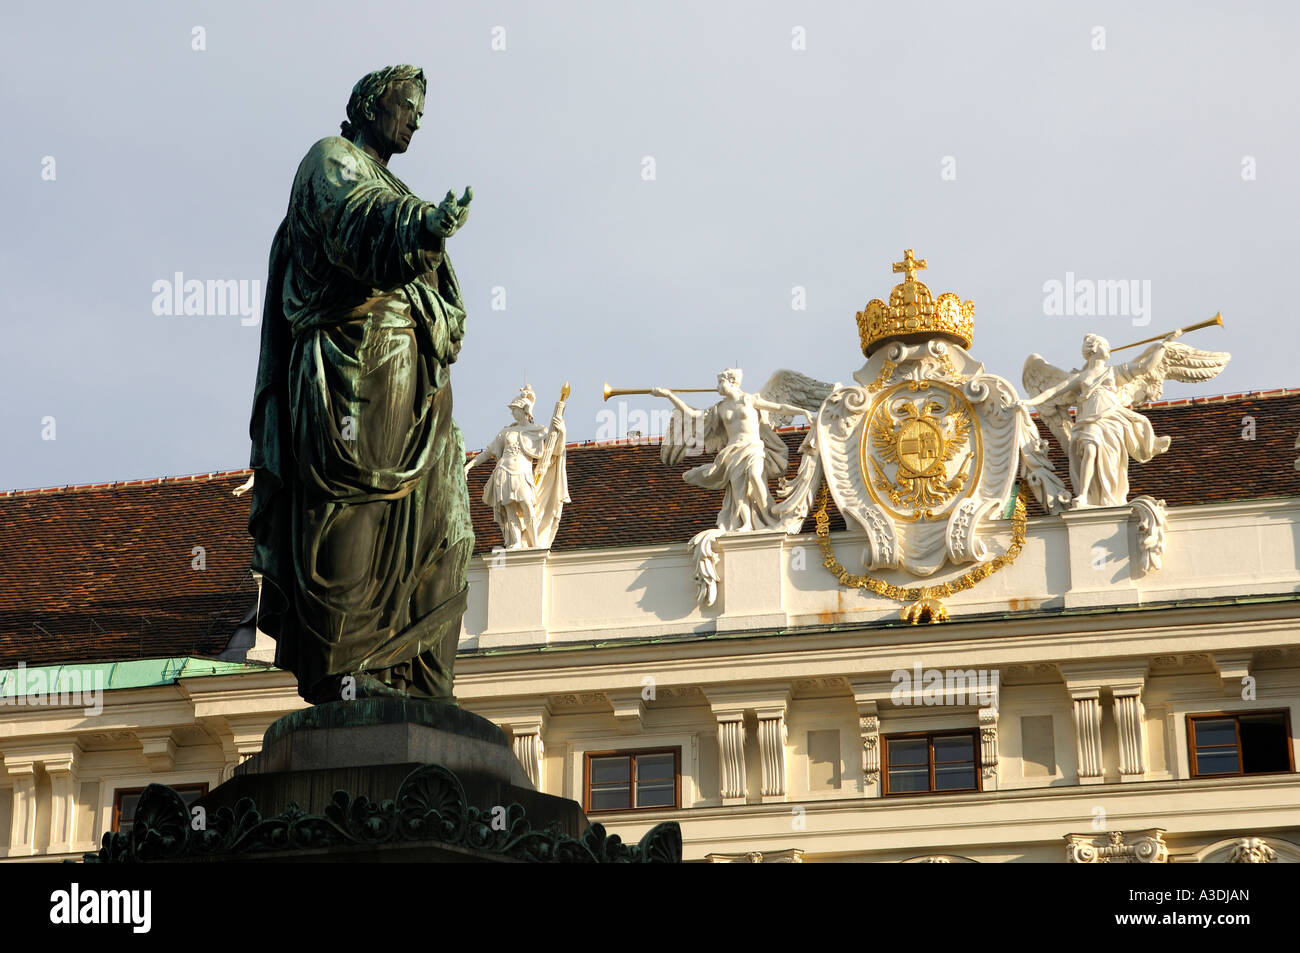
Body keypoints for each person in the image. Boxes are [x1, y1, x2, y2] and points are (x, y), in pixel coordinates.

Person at [247, 65, 475, 703]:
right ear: (373, 104)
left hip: (415, 370)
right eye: (409, 106)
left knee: (445, 526)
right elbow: (356, 223)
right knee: (358, 504)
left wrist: (423, 238)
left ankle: (421, 677)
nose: (418, 119)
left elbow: (426, 275)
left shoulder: (390, 180)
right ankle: (348, 669)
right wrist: (419, 227)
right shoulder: (331, 160)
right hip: (355, 363)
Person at [653, 369, 808, 532]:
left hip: (753, 448)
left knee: (756, 477)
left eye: (721, 382)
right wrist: (668, 395)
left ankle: (771, 516)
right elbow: (693, 415)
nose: (718, 386)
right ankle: (746, 523)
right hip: (732, 451)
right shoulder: (719, 408)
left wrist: (803, 412)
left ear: (732, 382)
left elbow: (779, 407)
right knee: (738, 490)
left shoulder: (749, 400)